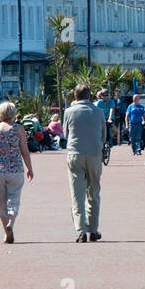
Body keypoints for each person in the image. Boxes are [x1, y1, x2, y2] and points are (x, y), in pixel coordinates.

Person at [0, 101, 34, 244]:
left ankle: (6, 234)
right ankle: (11, 224)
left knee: (1, 202)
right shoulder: (18, 129)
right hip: (15, 169)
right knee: (14, 200)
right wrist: (30, 168)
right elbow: (25, 151)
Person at [62, 84, 105, 243]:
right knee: (93, 192)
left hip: (75, 153)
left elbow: (66, 134)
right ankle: (93, 230)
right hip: (94, 154)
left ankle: (80, 231)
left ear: (75, 97)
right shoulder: (99, 112)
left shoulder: (68, 112)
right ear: (89, 96)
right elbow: (104, 134)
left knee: (77, 194)